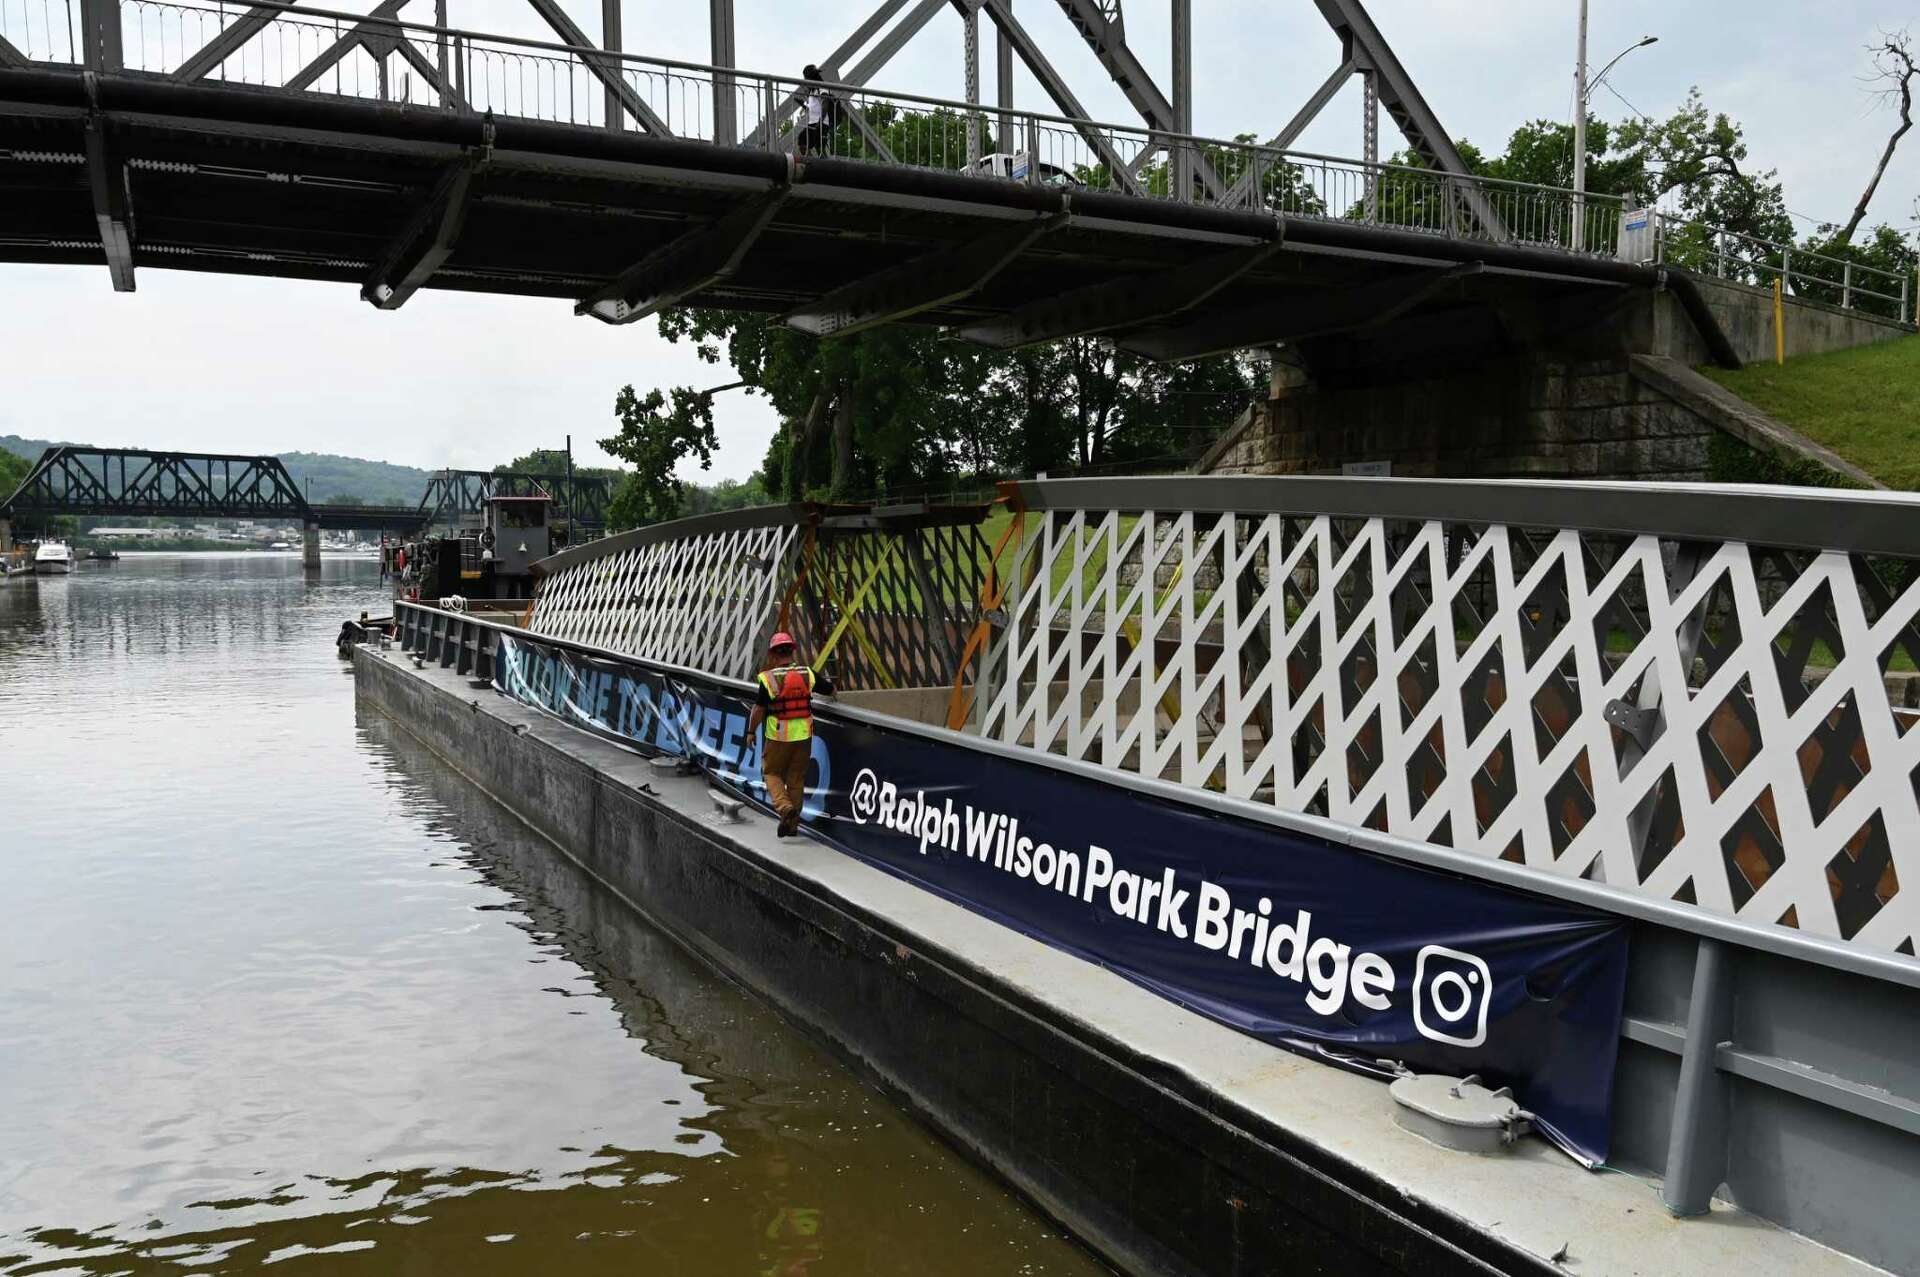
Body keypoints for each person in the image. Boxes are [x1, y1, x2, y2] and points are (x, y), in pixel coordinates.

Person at [747, 632, 835, 838]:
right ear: (792, 652)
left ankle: (784, 807)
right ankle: (792, 827)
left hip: (778, 736)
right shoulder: (807, 673)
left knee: (771, 773)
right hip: (803, 735)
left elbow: (758, 709)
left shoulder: (769, 678)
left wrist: (751, 731)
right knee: (796, 779)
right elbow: (831, 690)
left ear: (773, 655)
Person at [796, 65, 830, 156]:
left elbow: (825, 103)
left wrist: (820, 121)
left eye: (806, 79)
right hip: (815, 123)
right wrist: (803, 105)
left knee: (811, 144)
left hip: (820, 123)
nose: (806, 82)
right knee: (810, 144)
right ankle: (814, 162)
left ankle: (813, 162)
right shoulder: (812, 92)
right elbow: (812, 110)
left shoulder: (821, 88)